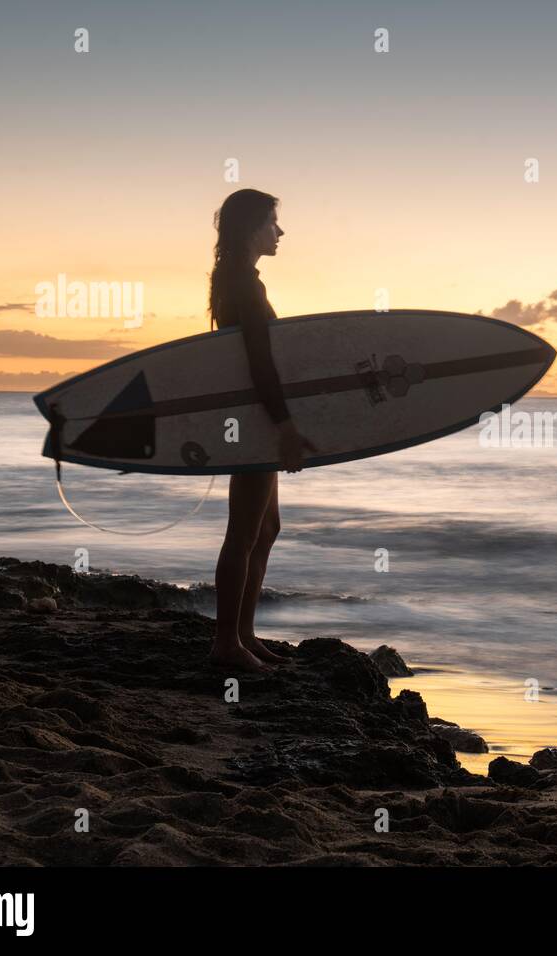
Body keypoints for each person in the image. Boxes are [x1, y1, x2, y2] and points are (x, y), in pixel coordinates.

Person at [206, 189, 317, 671]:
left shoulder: (239, 278)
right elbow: (259, 364)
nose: (281, 231)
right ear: (252, 226)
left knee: (266, 527)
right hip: (253, 419)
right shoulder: (243, 285)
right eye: (274, 222)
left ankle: (243, 634)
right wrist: (285, 426)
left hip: (253, 416)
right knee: (244, 532)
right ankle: (225, 643)